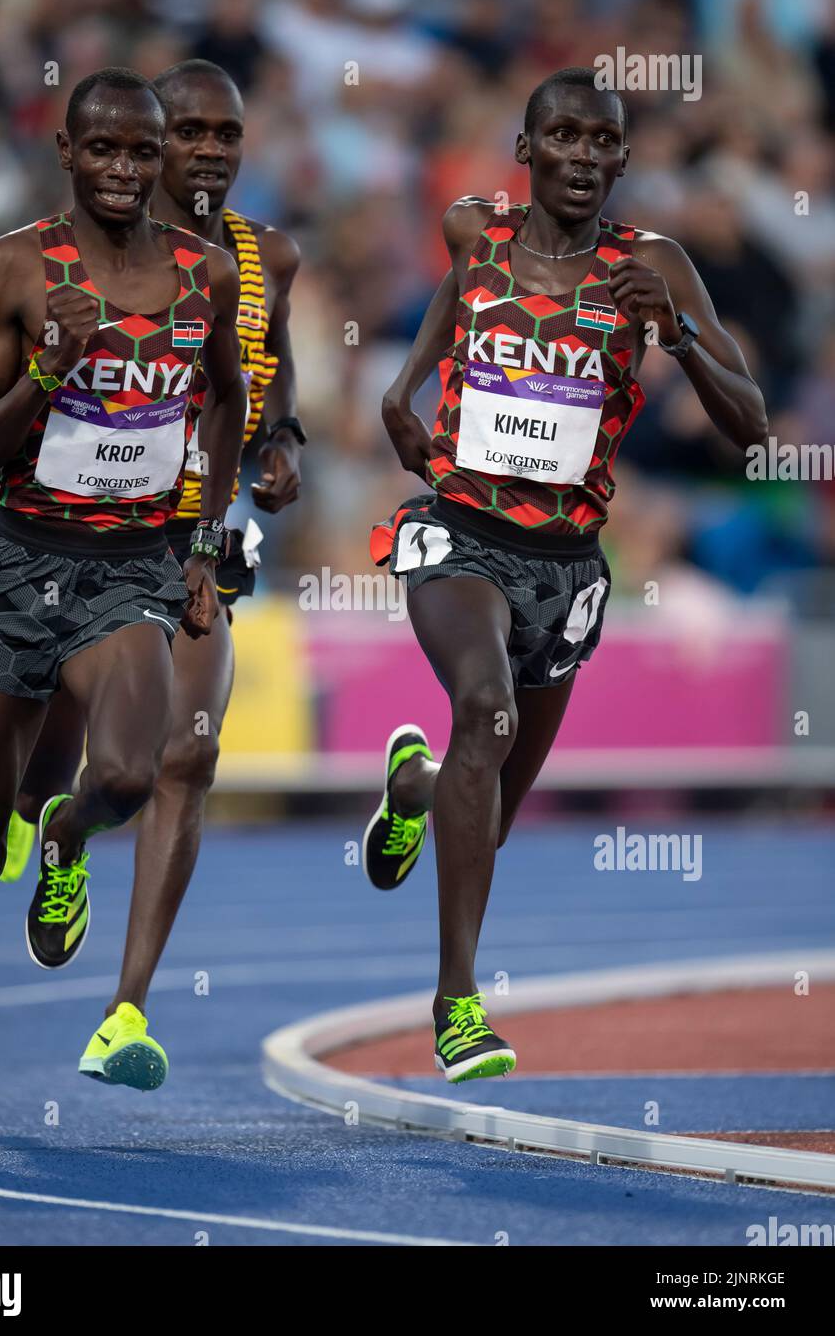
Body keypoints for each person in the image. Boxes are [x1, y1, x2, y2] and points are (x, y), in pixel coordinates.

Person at [366, 67, 768, 1084]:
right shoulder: (475, 231)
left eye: (602, 142)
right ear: (525, 148)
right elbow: (446, 309)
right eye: (563, 137)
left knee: (484, 805)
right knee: (485, 710)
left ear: (622, 161)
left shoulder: (655, 265)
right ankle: (457, 1004)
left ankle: (409, 790)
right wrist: (400, 392)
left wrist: (670, 332)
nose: (583, 157)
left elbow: (750, 426)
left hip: (564, 563)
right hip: (458, 530)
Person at [0, 67, 247, 1153]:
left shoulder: (205, 272)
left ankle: (69, 840)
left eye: (144, 153)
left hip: (132, 566)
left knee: (134, 772)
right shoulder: (14, 266)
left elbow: (226, 398)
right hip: (19, 566)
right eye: (106, 152)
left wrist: (201, 534)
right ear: (67, 153)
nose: (128, 171)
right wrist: (50, 368)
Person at [0, 60, 304, 1094]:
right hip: (74, 537)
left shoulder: (265, 259)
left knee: (187, 757)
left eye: (228, 132)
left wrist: (282, 435)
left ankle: (124, 1008)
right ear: (143, 144)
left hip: (195, 542)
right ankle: (53, 828)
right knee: (50, 760)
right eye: (188, 131)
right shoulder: (82, 256)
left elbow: (268, 366)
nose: (210, 149)